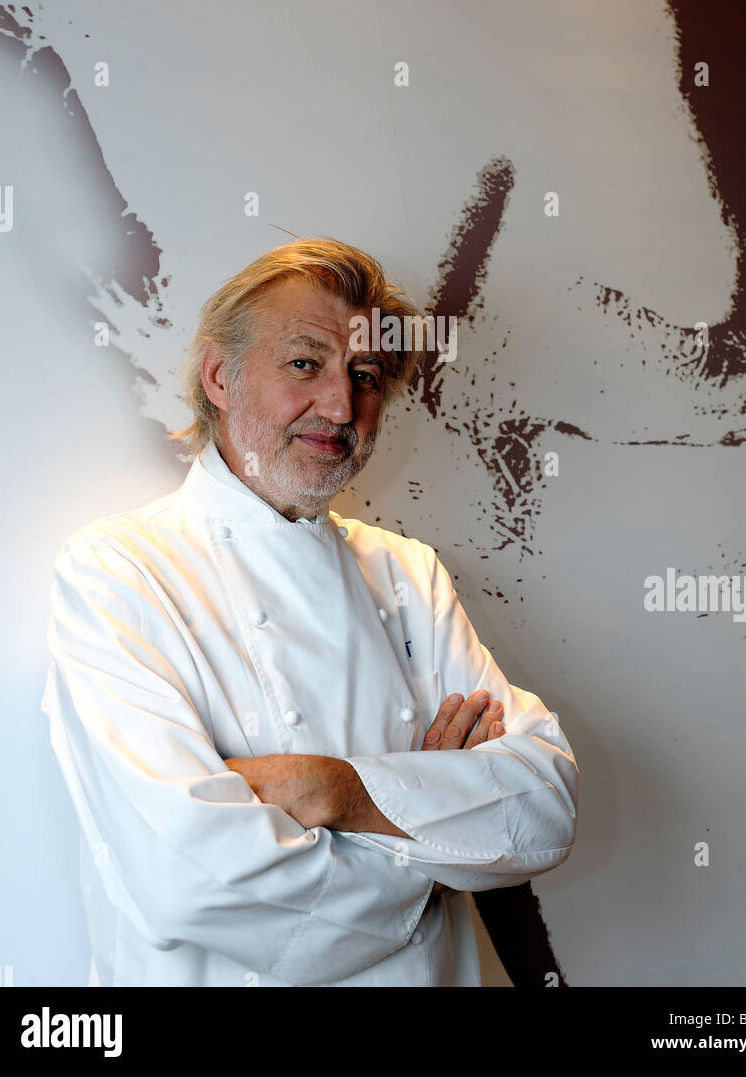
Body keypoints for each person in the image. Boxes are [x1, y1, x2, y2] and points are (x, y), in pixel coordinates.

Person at [42, 237, 578, 987]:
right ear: (221, 377)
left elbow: (543, 810)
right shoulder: (117, 570)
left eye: (364, 376)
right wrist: (436, 832)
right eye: (305, 364)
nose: (340, 405)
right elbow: (193, 882)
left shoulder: (406, 571)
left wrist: (339, 792)